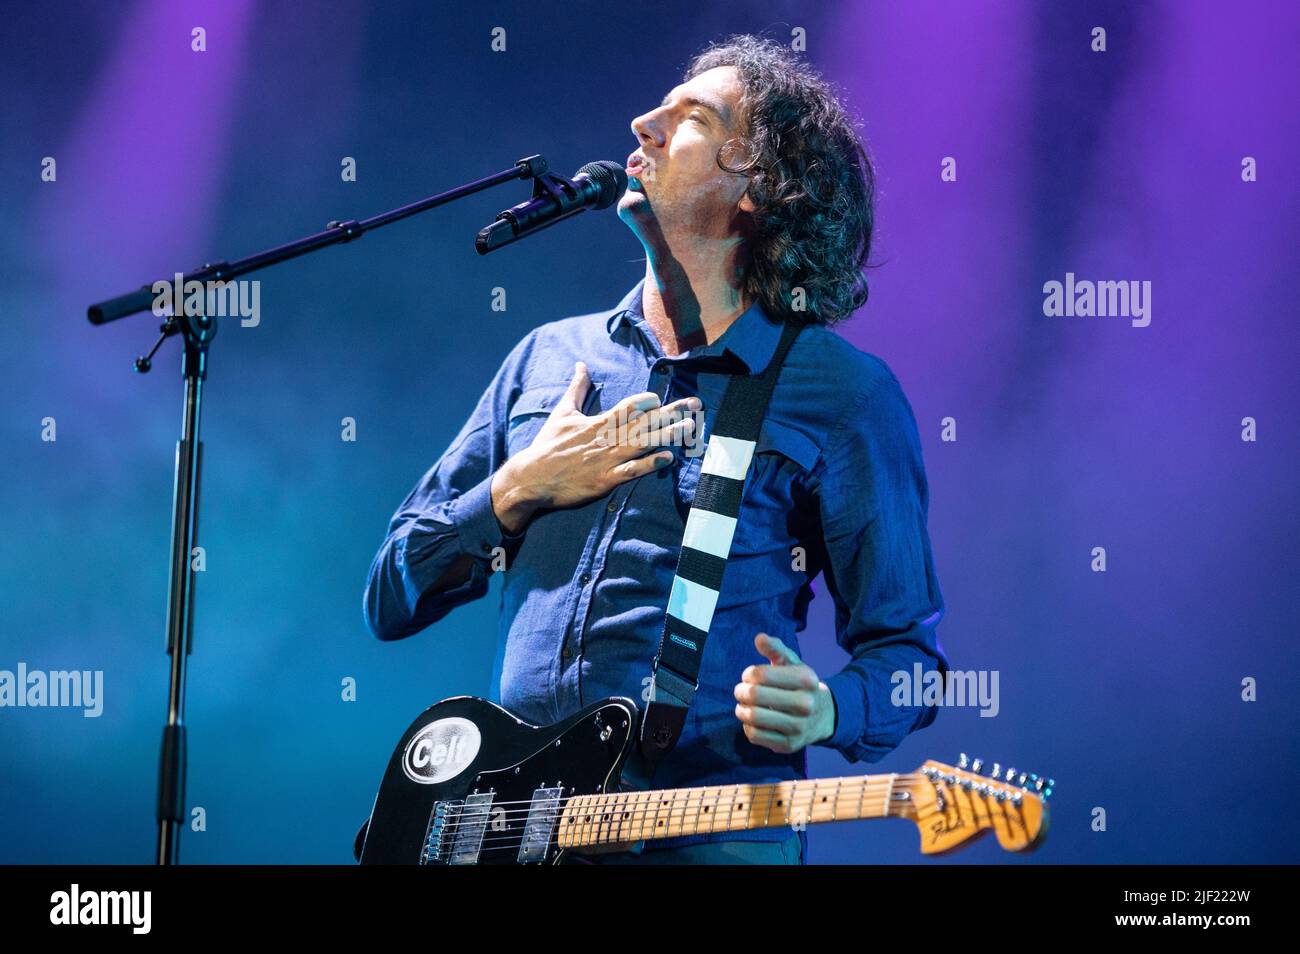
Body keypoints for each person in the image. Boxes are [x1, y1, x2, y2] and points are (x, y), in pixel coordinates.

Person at [363, 34, 948, 865]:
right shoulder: (547, 359)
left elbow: (910, 658)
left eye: (690, 117)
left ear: (759, 187)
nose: (641, 124)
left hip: (707, 839)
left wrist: (830, 709)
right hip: (509, 836)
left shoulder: (844, 396)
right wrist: (515, 489)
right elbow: (391, 593)